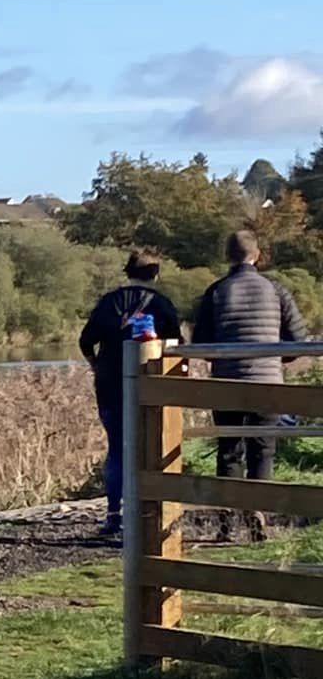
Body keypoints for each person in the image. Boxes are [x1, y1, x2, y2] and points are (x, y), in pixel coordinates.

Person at [192, 228, 308, 541]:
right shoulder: (276, 290)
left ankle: (227, 523)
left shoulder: (216, 291)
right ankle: (258, 513)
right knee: (263, 450)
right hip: (267, 383)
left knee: (229, 451)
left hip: (227, 381)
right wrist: (277, 360)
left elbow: (199, 342)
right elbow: (298, 340)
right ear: (257, 255)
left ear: (228, 256)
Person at [78, 248, 181, 542]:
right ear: (156, 274)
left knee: (117, 448)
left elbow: (85, 340)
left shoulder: (110, 301)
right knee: (152, 448)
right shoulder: (162, 304)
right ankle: (149, 511)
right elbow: (175, 345)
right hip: (150, 385)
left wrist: (96, 365)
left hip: (110, 384)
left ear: (128, 273)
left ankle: (114, 514)